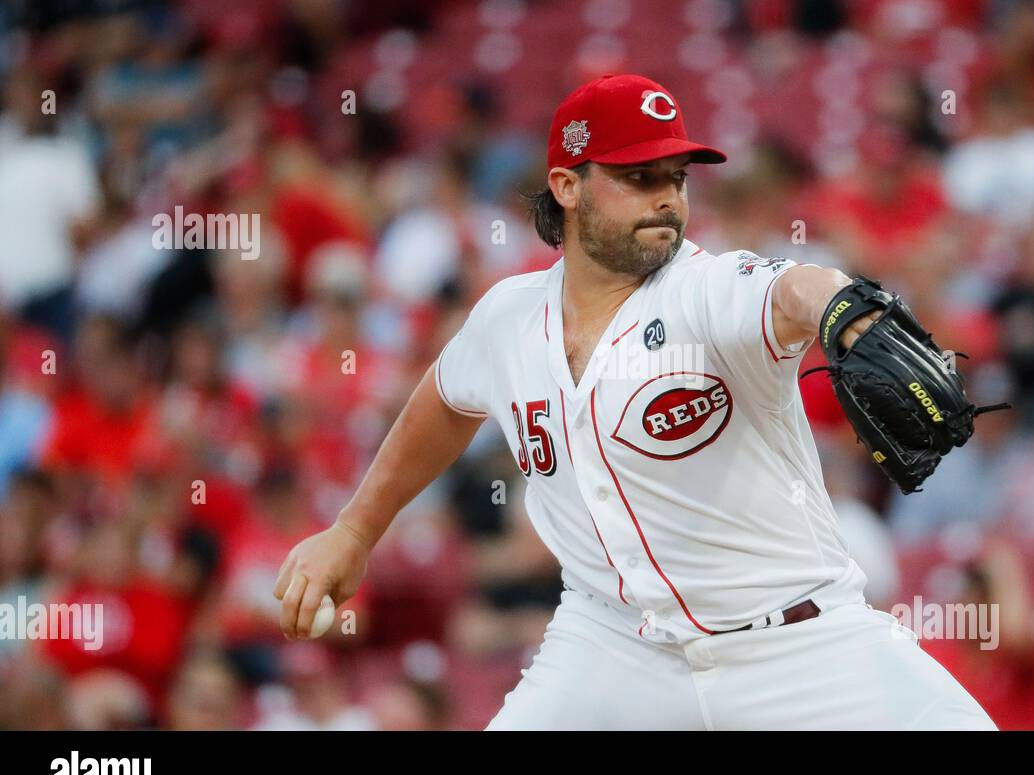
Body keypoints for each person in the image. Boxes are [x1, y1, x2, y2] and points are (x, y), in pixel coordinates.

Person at [275, 74, 995, 730]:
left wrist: (844, 309)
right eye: (638, 176)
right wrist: (356, 530)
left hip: (796, 641)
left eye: (676, 178)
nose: (667, 198)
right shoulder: (508, 319)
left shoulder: (703, 289)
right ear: (567, 184)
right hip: (614, 646)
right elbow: (444, 400)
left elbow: (790, 288)